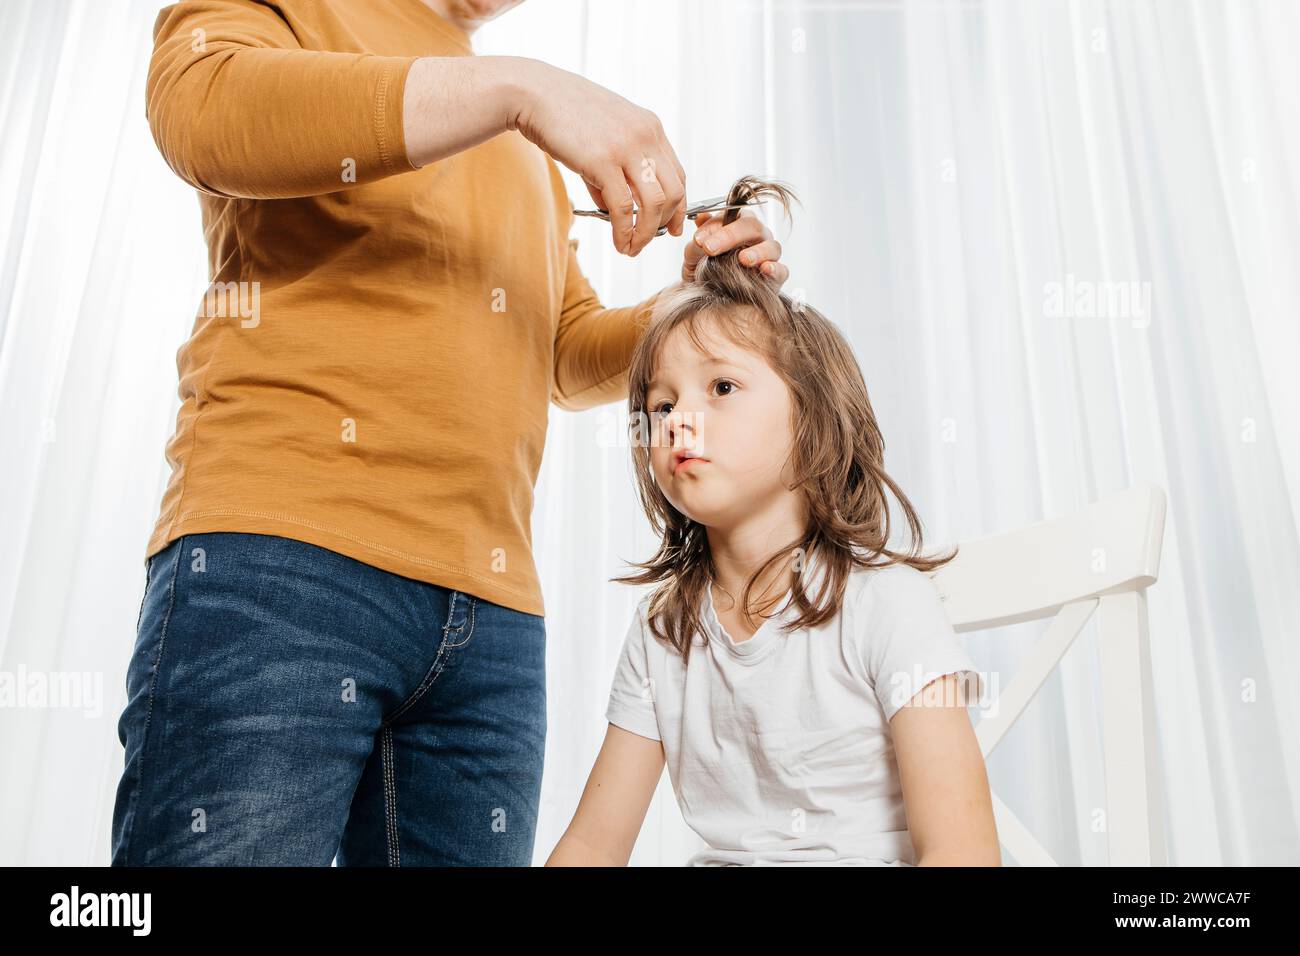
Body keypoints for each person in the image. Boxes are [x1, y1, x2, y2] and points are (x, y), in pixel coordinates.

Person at [111, 0, 789, 867]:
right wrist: (520, 89)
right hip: (279, 564)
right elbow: (202, 114)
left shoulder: (518, 140)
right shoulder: (330, 28)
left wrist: (689, 307)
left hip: (491, 618)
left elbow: (566, 350)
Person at [546, 177, 999, 866]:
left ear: (813, 424)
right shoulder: (663, 629)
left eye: (721, 387)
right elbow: (592, 844)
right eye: (662, 405)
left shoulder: (888, 605)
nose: (680, 420)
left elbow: (963, 853)